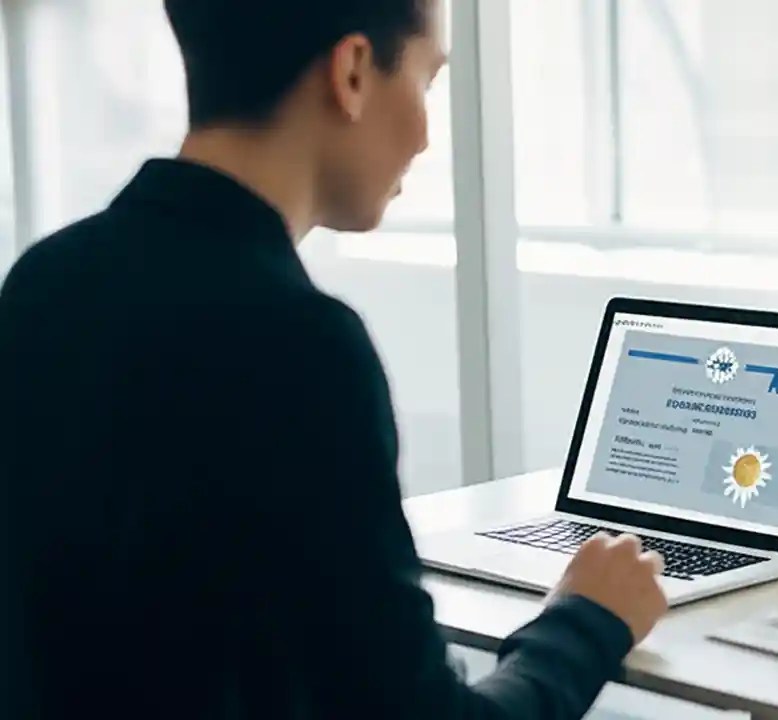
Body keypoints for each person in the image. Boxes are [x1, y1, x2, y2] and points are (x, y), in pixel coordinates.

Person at [0, 0, 668, 718]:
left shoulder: (44, 282)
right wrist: (587, 617)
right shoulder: (300, 347)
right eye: (427, 80)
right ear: (351, 72)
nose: (424, 136)